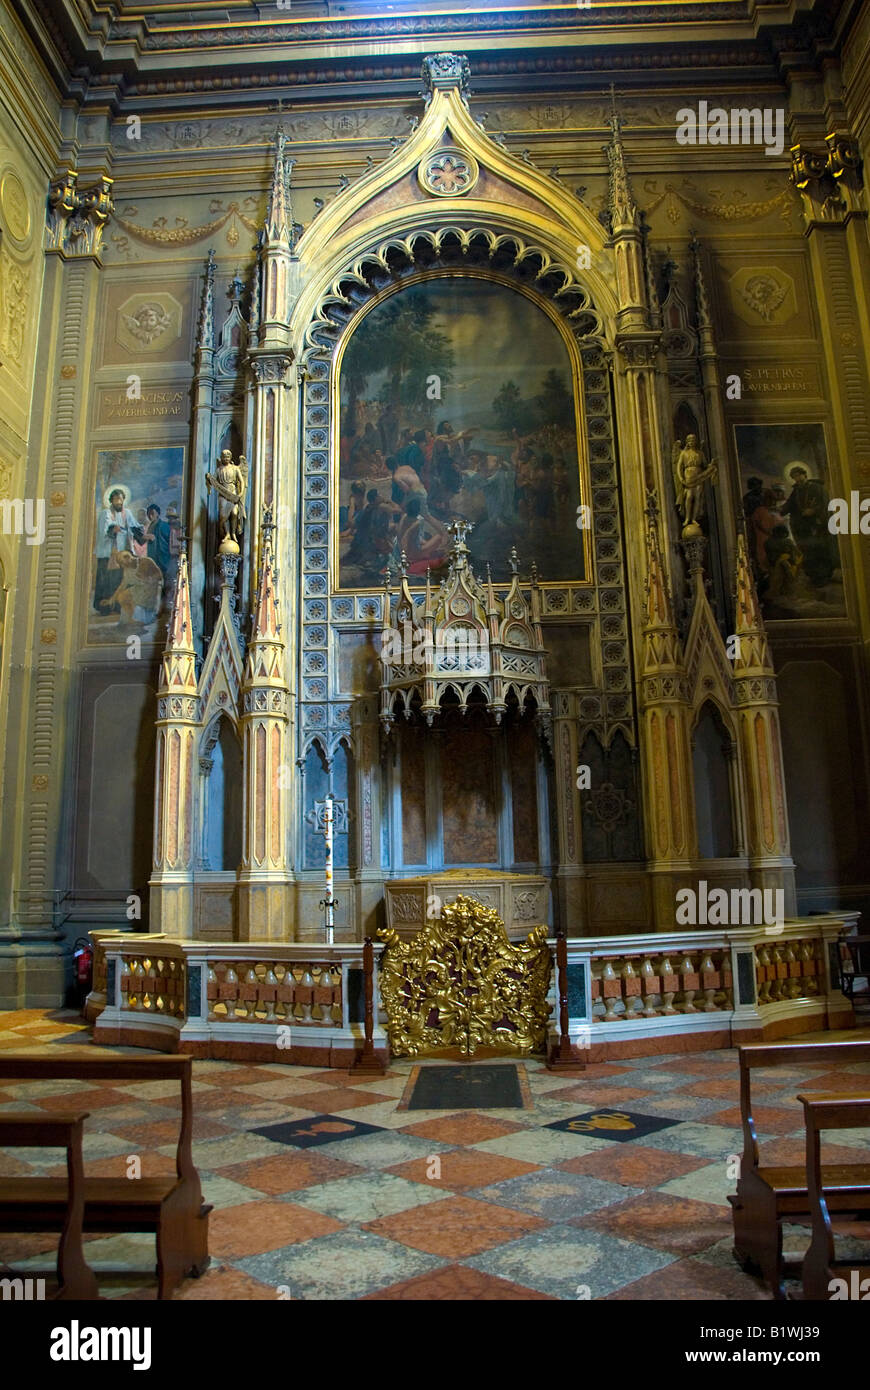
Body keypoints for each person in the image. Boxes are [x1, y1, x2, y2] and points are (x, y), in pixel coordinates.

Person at [781, 462, 836, 585]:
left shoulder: (816, 487)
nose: (797, 478)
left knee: (819, 550)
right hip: (803, 527)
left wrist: (813, 510)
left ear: (805, 475)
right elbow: (789, 505)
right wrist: (781, 510)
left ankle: (823, 576)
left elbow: (825, 503)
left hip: (817, 525)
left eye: (798, 475)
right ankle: (813, 576)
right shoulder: (796, 491)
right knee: (807, 551)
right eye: (794, 476)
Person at [94, 486, 144, 613]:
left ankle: (119, 605)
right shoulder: (106, 513)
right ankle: (104, 607)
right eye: (116, 500)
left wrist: (141, 533)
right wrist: (112, 529)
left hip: (123, 555)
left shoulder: (127, 513)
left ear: (123, 500)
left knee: (121, 580)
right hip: (108, 554)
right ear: (111, 501)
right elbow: (103, 531)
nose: (118, 502)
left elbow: (134, 526)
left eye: (120, 499)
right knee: (107, 581)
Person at [145, 503, 171, 577]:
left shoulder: (164, 525)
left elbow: (167, 542)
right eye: (148, 514)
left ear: (158, 514)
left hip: (162, 559)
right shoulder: (150, 526)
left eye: (152, 513)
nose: (150, 516)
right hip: (152, 559)